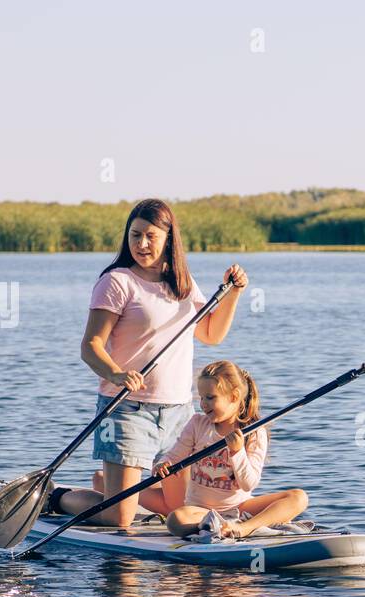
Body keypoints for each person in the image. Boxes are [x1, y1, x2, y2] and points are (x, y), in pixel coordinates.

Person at [49, 198, 247, 527]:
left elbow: (211, 334)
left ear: (168, 239)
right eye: (135, 235)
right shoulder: (116, 281)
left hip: (180, 413)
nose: (142, 244)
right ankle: (56, 497)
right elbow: (90, 346)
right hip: (127, 410)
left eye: (151, 236)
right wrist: (116, 372)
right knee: (119, 517)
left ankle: (111, 489)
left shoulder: (182, 283)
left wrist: (234, 293)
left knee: (177, 508)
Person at [144, 360, 309, 540]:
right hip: (200, 510)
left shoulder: (254, 432)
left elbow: (249, 484)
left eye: (210, 397)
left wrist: (237, 452)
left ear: (234, 396)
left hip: (241, 507)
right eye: (201, 397)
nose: (203, 404)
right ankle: (220, 526)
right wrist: (162, 464)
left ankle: (244, 528)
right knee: (175, 520)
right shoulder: (197, 424)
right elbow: (174, 455)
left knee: (299, 497)